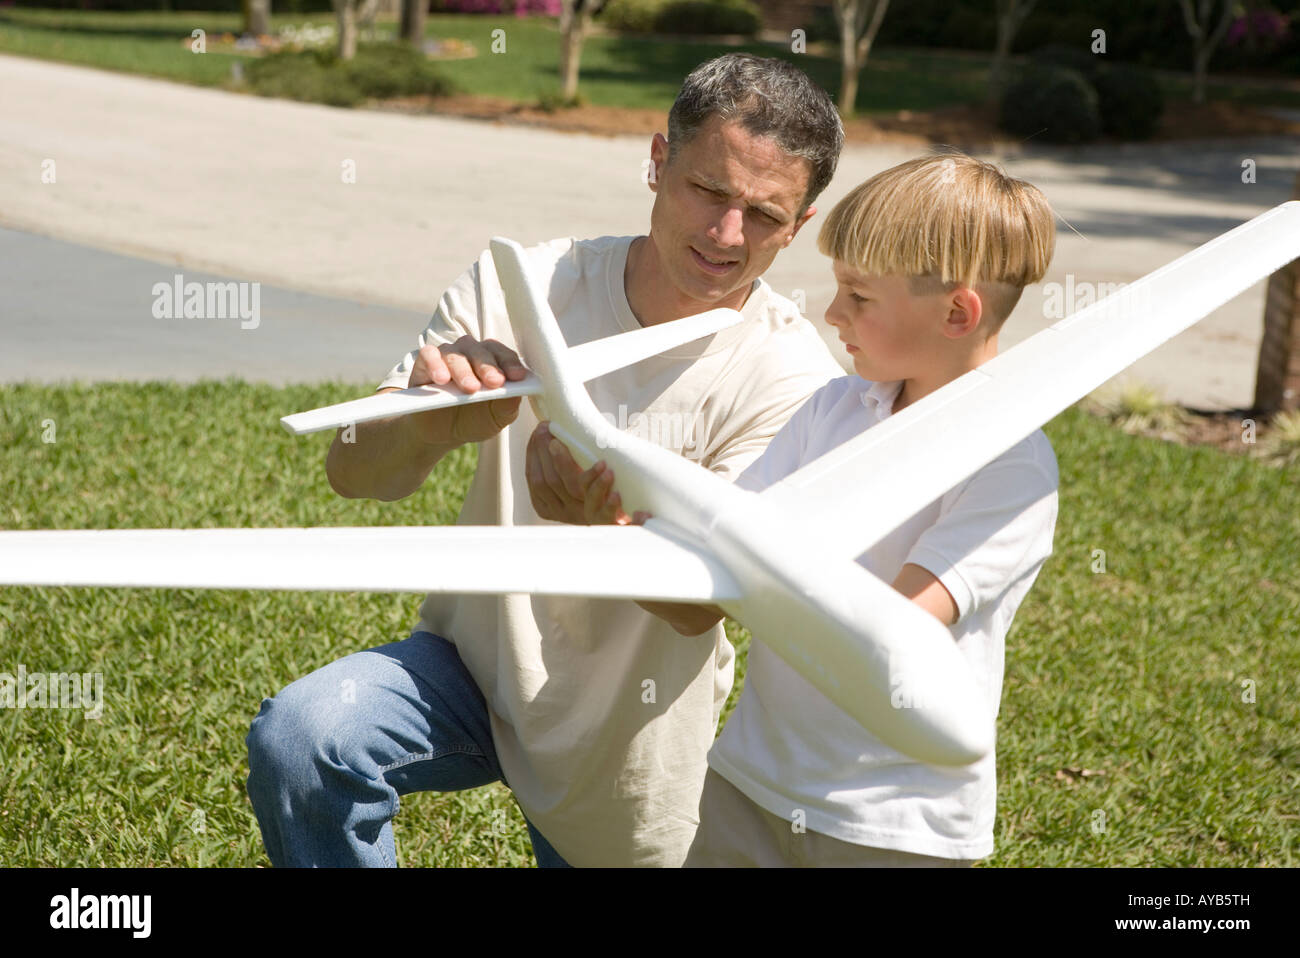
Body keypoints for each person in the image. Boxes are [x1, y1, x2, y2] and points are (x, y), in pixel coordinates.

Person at [244, 53, 846, 867]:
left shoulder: (796, 380)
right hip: (471, 670)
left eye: (764, 215)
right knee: (306, 737)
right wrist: (431, 423)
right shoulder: (526, 285)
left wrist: (607, 528)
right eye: (709, 190)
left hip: (627, 744)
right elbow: (353, 475)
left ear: (802, 224)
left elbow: (702, 610)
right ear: (658, 161)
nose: (726, 234)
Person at [669, 150, 1060, 866]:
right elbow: (716, 566)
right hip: (752, 782)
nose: (831, 312)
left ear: (957, 311)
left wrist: (745, 564)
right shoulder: (833, 410)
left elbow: (887, 634)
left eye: (860, 295)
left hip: (894, 826)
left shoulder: (1012, 465)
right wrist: (634, 520)